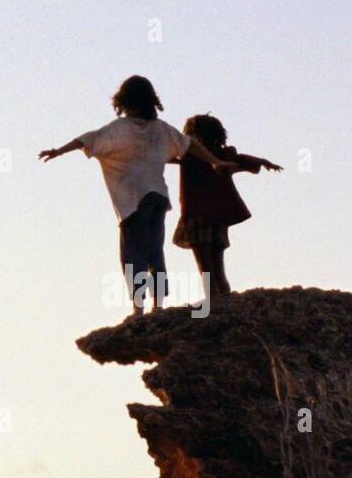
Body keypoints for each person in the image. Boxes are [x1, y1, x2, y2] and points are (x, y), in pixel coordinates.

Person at [39, 76, 234, 316]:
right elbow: (190, 144)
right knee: (155, 250)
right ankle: (158, 305)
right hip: (158, 198)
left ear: (123, 101)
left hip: (133, 201)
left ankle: (139, 308)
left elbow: (87, 139)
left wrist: (59, 151)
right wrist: (215, 161)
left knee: (133, 253)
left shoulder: (120, 128)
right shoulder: (161, 128)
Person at [173, 114, 282, 299]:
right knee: (217, 264)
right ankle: (224, 297)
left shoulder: (189, 154)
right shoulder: (224, 154)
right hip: (219, 218)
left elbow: (166, 156)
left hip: (197, 215)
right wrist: (264, 162)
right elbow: (245, 160)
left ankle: (213, 301)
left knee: (205, 266)